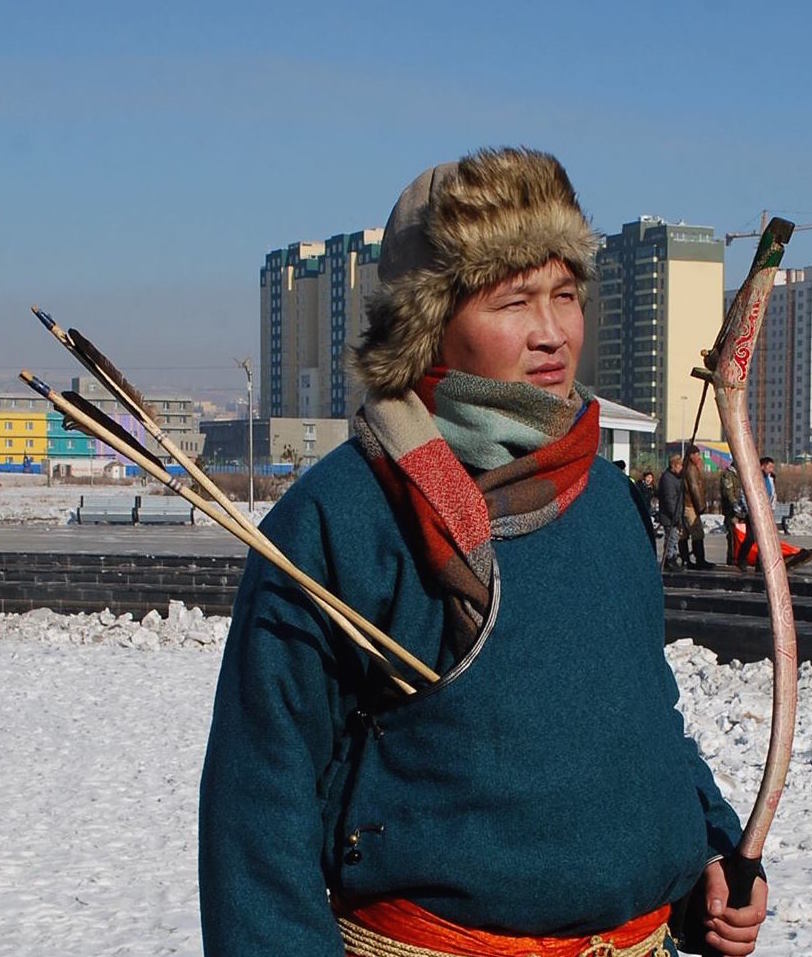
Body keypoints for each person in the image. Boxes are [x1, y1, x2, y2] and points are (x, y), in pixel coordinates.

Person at [199, 148, 766, 957]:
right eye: (513, 300)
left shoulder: (605, 496)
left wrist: (708, 846)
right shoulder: (345, 514)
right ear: (429, 325)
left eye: (564, 295)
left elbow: (642, 714)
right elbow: (258, 804)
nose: (550, 332)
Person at [683, 445, 715, 570]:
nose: (699, 457)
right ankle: (699, 560)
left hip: (689, 504)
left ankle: (688, 559)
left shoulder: (689, 467)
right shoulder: (691, 469)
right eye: (697, 454)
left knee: (686, 534)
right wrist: (701, 506)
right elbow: (695, 488)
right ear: (691, 455)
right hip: (691, 505)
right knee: (697, 533)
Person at [657, 454, 684, 571]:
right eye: (680, 466)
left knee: (674, 537)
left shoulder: (675, 478)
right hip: (669, 515)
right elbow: (669, 499)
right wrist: (675, 516)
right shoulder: (667, 479)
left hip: (674, 513)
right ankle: (669, 559)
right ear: (674, 466)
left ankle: (672, 557)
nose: (682, 468)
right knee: (671, 538)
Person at [719, 462, 744, 566]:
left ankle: (739, 556)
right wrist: (735, 504)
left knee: (740, 535)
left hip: (741, 509)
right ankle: (732, 558)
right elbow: (728, 492)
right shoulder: (728, 475)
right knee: (733, 535)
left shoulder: (740, 474)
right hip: (731, 511)